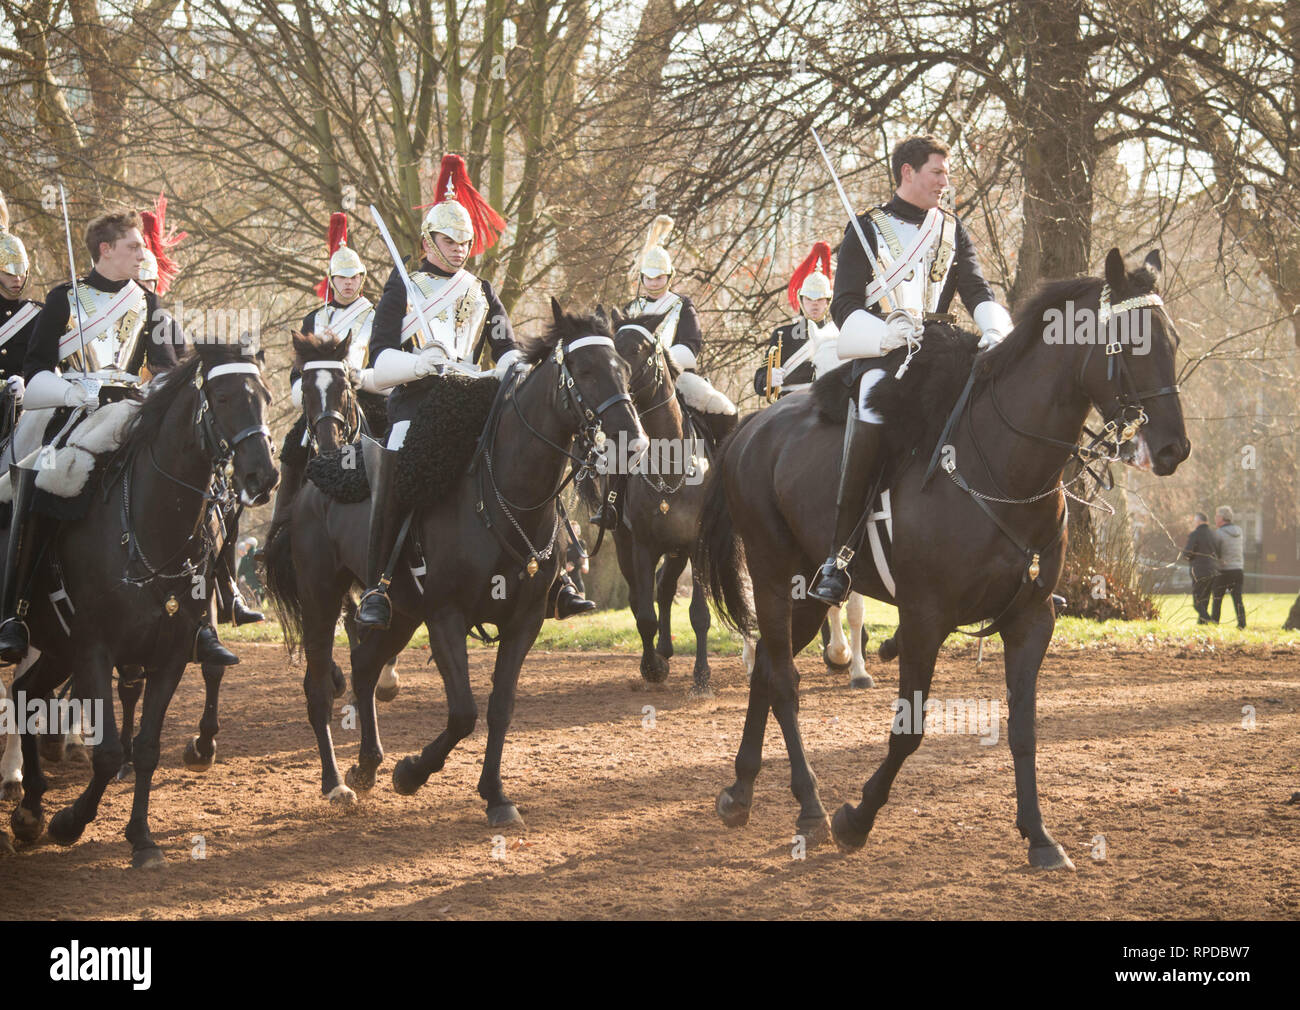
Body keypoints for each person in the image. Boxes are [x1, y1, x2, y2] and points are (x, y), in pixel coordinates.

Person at [357, 153, 594, 629]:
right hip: (417, 399)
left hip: (474, 395)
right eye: (450, 240)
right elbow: (378, 363)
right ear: (428, 241)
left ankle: (560, 573)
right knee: (399, 452)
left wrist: (509, 372)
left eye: (466, 241)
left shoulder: (482, 291)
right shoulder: (404, 286)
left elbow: (506, 347)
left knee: (534, 454)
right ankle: (379, 584)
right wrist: (418, 363)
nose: (460, 248)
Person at [809, 134, 1013, 606]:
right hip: (886, 354)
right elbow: (843, 304)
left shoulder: (951, 228)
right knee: (874, 412)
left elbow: (977, 291)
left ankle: (1014, 551)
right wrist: (885, 335)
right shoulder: (864, 228)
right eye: (937, 172)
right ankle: (839, 556)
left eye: (946, 172)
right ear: (908, 172)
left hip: (946, 350)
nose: (946, 181)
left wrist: (997, 333)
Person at [0, 210, 199, 665]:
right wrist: (73, 390)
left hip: (131, 415)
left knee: (199, 477)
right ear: (105, 250)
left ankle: (204, 612)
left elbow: (170, 370)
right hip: (72, 416)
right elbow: (34, 374)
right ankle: (16, 612)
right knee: (36, 483)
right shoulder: (61, 300)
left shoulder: (150, 305)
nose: (142, 253)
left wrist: (148, 393)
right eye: (134, 246)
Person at [292, 211, 385, 416]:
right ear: (332, 279)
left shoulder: (376, 316)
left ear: (362, 277)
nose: (348, 282)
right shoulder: (313, 319)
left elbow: (383, 362)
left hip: (366, 399)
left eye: (354, 277)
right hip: (321, 402)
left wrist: (360, 378)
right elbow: (298, 370)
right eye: (342, 277)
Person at [753, 240, 840, 399]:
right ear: (801, 300)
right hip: (789, 403)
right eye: (810, 299)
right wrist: (769, 378)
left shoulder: (836, 334)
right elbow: (759, 381)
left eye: (820, 299)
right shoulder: (783, 335)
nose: (815, 304)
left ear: (828, 302)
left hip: (824, 401)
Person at [0, 190, 39, 439]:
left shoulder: (36, 314)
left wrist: (29, 383)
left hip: (22, 415)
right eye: (9, 272)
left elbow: (51, 364)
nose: (17, 279)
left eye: (20, 271)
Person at [1210, 505, 1246, 629]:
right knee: (1237, 598)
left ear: (1222, 518)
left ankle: (1214, 623)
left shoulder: (1219, 533)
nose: (1215, 518)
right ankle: (1242, 624)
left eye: (1217, 516)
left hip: (1224, 570)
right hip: (1238, 569)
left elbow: (1214, 551)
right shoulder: (1239, 531)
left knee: (1217, 598)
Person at [1180, 512, 1218, 624]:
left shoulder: (1195, 535)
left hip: (1199, 571)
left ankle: (1209, 620)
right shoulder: (1214, 534)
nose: (1194, 524)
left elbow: (1188, 553)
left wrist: (1186, 556)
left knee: (1197, 603)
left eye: (1195, 521)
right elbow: (1218, 552)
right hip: (1213, 570)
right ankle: (1202, 624)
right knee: (1205, 600)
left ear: (1199, 521)